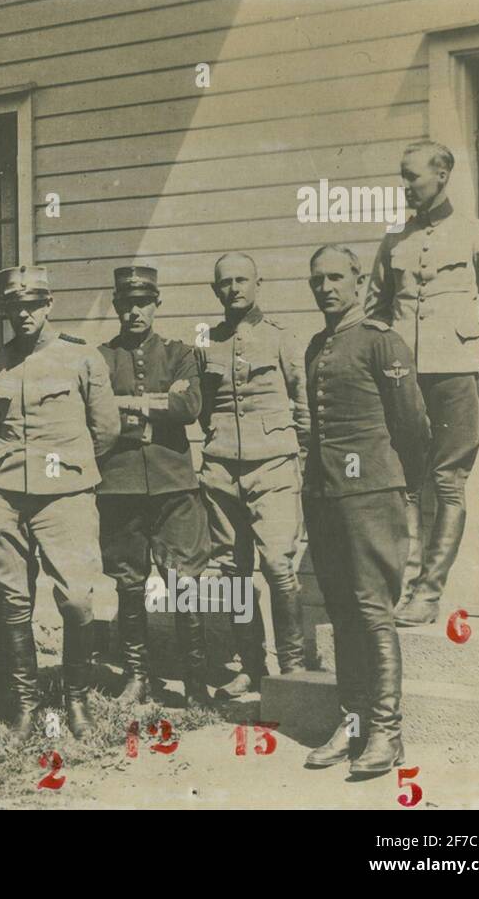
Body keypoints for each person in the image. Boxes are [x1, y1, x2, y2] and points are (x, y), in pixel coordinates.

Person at [365, 140, 479, 626]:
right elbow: (374, 314)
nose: (406, 186)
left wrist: (467, 341)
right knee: (407, 486)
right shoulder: (395, 241)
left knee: (449, 485)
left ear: (442, 175)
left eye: (413, 177)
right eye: (403, 176)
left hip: (454, 377)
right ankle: (405, 589)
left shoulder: (476, 234)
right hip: (404, 381)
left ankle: (428, 594)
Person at [303, 245, 429, 777]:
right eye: (317, 279)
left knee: (373, 611)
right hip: (325, 496)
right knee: (342, 612)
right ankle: (352, 725)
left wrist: (401, 489)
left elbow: (414, 427)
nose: (326, 287)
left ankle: (386, 732)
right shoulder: (316, 346)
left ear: (358, 281)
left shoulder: (382, 341)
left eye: (336, 277)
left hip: (371, 494)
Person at [0, 265, 121, 739]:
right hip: (5, 498)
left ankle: (75, 700)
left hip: (65, 498)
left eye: (33, 305)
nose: (24, 314)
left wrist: (70, 472)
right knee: (11, 601)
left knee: (78, 600)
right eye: (15, 307)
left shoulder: (81, 359)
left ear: (49, 305)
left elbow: (106, 430)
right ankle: (25, 704)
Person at [96, 260, 212, 709]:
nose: (135, 312)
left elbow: (188, 406)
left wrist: (130, 406)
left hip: (173, 485)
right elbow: (97, 414)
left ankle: (197, 683)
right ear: (116, 306)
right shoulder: (101, 358)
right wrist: (153, 405)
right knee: (128, 583)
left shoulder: (180, 353)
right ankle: (137, 677)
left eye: (143, 303)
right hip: (120, 486)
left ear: (156, 304)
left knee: (184, 582)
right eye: (127, 304)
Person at [196, 252, 309, 695]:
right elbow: (204, 406)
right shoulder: (206, 341)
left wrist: (299, 457)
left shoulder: (282, 337)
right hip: (222, 469)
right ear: (216, 290)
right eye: (226, 282)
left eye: (243, 279)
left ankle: (293, 669)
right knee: (232, 573)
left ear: (258, 283)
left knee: (279, 567)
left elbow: (303, 405)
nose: (235, 288)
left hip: (275, 467)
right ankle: (252, 665)